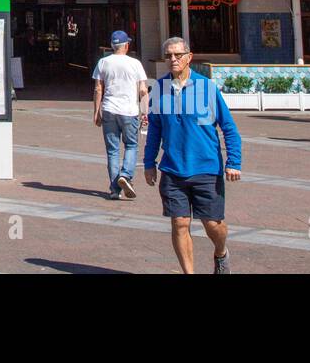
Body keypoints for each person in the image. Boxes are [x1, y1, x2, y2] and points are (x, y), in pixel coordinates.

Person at [144, 36, 242, 274]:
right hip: (173, 169)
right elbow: (154, 128)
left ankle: (221, 252)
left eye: (178, 55)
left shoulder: (206, 88)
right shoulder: (160, 88)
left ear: (189, 57)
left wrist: (234, 162)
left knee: (213, 225)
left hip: (206, 168)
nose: (173, 59)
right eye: (168, 55)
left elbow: (229, 127)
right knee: (179, 223)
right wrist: (149, 162)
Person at [92, 30, 149, 200]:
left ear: (111, 45)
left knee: (112, 150)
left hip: (109, 109)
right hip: (129, 111)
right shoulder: (135, 63)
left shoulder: (103, 62)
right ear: (126, 45)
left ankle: (114, 189)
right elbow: (143, 90)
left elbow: (98, 88)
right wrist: (145, 113)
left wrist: (97, 111)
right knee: (131, 145)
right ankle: (126, 175)